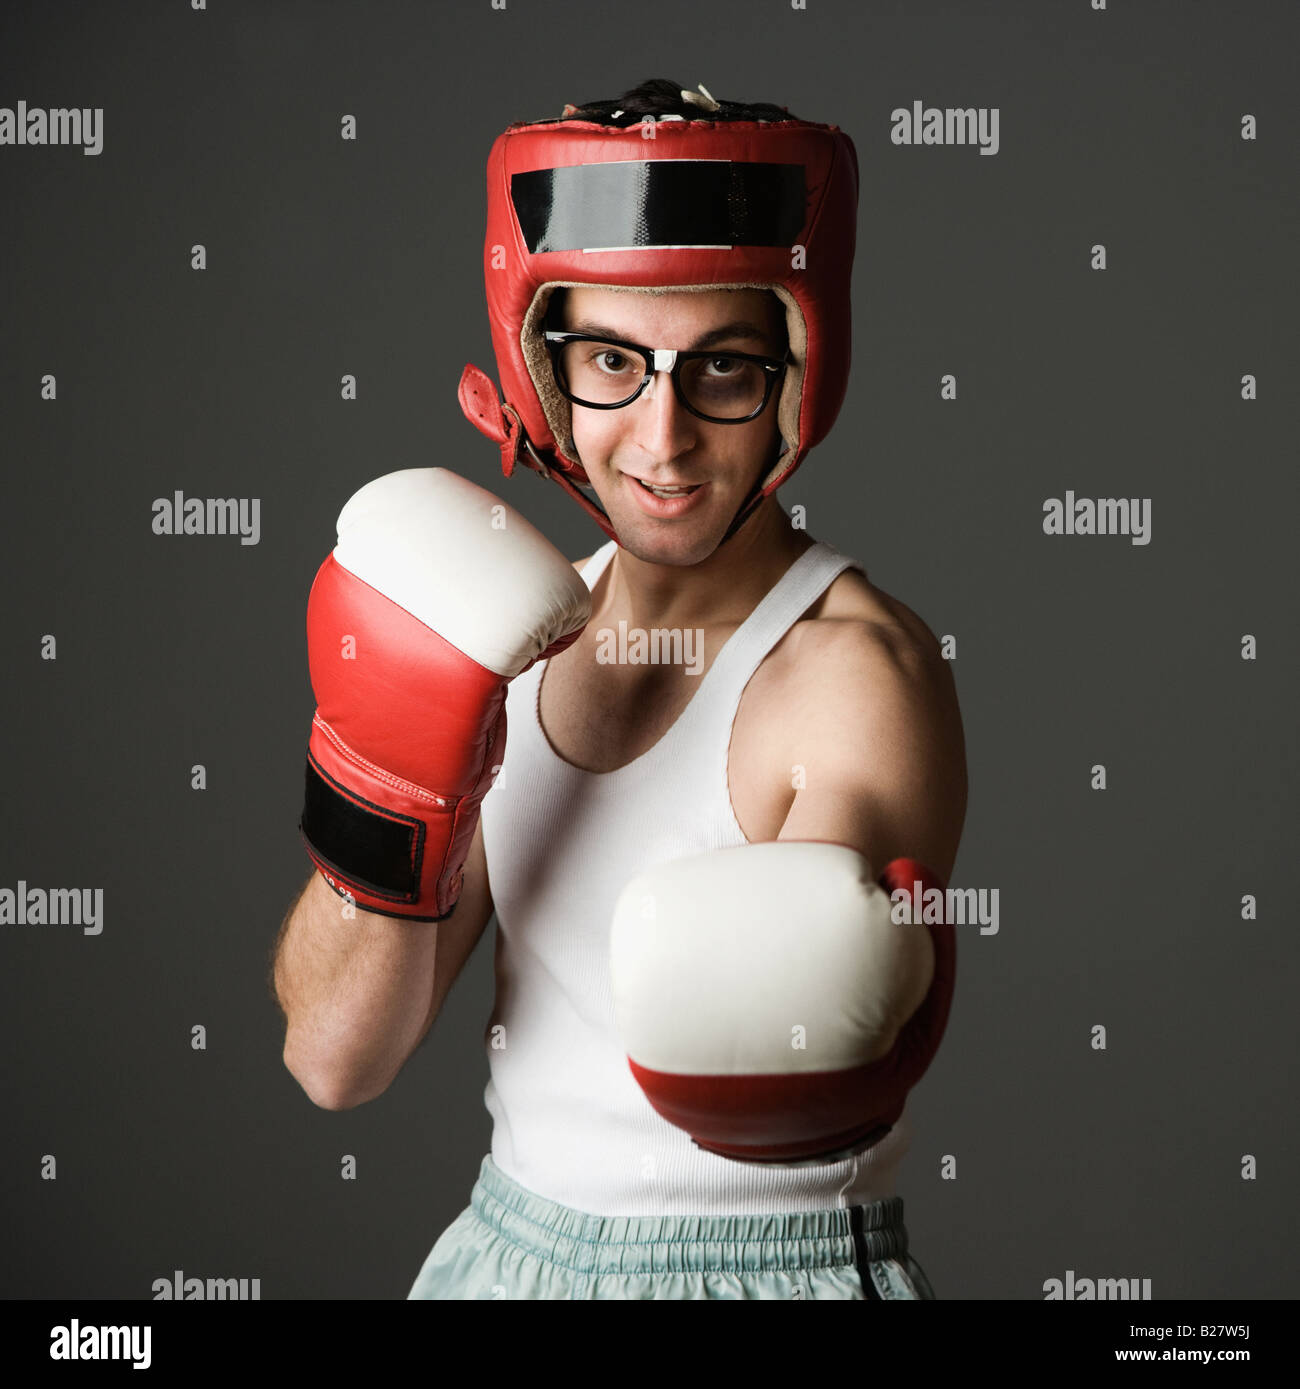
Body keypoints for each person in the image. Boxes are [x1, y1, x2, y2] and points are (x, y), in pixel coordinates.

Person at [272, 79, 967, 1300]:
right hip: (499, 1256)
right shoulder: (502, 634)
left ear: (797, 377)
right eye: (611, 362)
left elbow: (797, 1106)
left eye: (722, 370)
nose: (661, 439)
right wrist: (387, 786)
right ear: (542, 372)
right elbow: (335, 1061)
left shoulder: (851, 681)